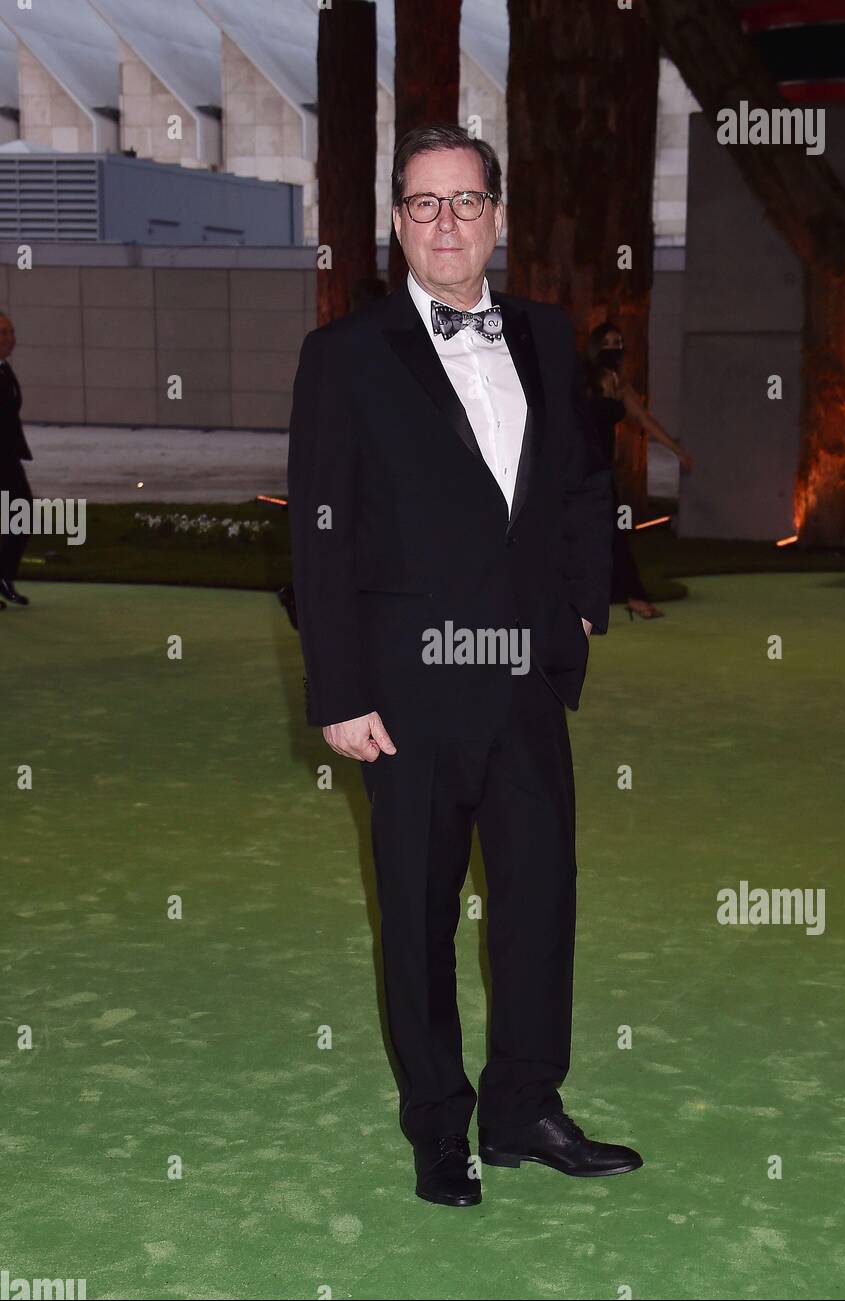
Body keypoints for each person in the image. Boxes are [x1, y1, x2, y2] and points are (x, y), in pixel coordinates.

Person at [288, 123, 643, 1207]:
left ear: (495, 216)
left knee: (540, 903)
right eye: (423, 202)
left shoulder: (543, 329)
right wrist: (341, 690)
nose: (446, 221)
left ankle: (527, 1106)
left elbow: (582, 484)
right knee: (421, 915)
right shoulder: (344, 355)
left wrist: (583, 608)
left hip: (526, 678)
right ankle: (440, 1128)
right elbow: (321, 530)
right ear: (399, 223)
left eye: (466, 200)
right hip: (407, 688)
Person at [585, 322, 695, 620]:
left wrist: (676, 449)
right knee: (593, 534)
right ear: (596, 346)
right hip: (578, 466)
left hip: (601, 469)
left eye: (618, 341)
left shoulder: (620, 384)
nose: (613, 346)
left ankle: (628, 596)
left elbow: (644, 421)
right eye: (607, 341)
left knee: (612, 533)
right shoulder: (584, 380)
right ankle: (631, 597)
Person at [0, 312, 33, 609]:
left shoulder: (4, 370)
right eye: (2, 333)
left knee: (21, 517)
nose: (10, 339)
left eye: (11, 331)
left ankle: (4, 576)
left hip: (8, 459)